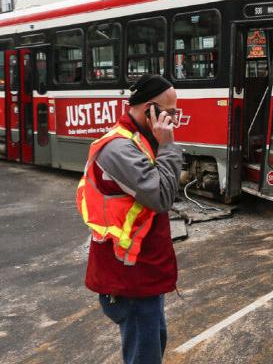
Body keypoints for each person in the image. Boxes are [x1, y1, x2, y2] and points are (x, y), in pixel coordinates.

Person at [77, 74, 183, 364]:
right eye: (170, 113)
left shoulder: (141, 140)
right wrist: (168, 145)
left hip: (143, 271)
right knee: (144, 356)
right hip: (128, 275)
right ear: (150, 110)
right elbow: (162, 196)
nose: (174, 119)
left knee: (154, 343)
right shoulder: (118, 148)